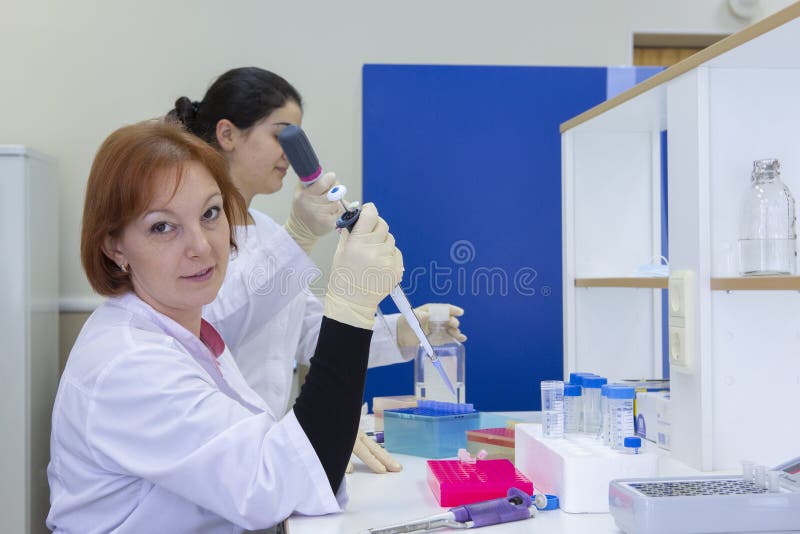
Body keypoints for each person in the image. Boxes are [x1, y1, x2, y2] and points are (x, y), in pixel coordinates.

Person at [46, 120, 403, 532]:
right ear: (114, 247)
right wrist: (350, 305)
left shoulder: (183, 328)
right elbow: (276, 483)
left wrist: (314, 433)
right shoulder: (130, 364)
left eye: (210, 213)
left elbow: (257, 455)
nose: (201, 246)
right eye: (162, 227)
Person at [168, 67, 466, 473]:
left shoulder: (268, 232)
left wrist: (402, 330)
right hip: (219, 450)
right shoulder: (195, 239)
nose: (289, 155)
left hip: (266, 447)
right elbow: (214, 330)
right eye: (281, 134)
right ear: (228, 134)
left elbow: (309, 332)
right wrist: (300, 236)